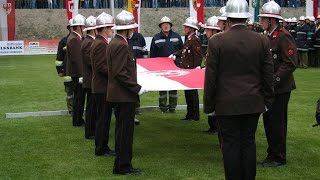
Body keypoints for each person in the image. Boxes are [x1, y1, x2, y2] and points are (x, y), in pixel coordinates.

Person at [204, 0, 274, 179]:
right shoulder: (261, 39)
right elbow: (267, 75)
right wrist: (267, 100)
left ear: (227, 17)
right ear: (247, 17)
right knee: (248, 143)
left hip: (226, 104)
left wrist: (209, 105)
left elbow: (211, 77)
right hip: (252, 102)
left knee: (230, 145)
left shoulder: (217, 41)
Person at [107, 10, 148, 175]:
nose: (133, 31)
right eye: (132, 28)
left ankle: (122, 164)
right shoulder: (120, 45)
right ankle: (122, 166)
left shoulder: (117, 43)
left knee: (122, 131)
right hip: (124, 96)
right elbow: (120, 73)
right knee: (125, 132)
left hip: (121, 95)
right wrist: (137, 88)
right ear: (128, 29)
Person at [259, 0, 298, 167]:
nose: (261, 22)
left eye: (263, 18)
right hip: (269, 87)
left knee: (277, 123)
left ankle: (279, 157)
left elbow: (290, 62)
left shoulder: (283, 36)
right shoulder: (267, 36)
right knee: (268, 121)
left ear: (272, 20)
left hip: (280, 88)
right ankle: (272, 153)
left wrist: (273, 80)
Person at [90, 12, 115, 156]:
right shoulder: (100, 44)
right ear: (105, 29)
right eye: (110, 28)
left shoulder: (100, 42)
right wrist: (115, 72)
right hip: (102, 87)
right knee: (103, 120)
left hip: (100, 86)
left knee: (103, 119)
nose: (111, 30)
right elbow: (101, 67)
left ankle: (102, 146)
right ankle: (101, 148)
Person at [169, 17, 202, 121]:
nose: (184, 28)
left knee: (192, 94)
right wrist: (174, 54)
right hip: (186, 70)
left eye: (186, 26)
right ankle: (189, 114)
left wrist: (196, 68)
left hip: (191, 70)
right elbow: (183, 51)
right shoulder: (189, 39)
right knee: (188, 94)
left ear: (191, 28)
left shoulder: (195, 40)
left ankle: (195, 115)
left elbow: (198, 56)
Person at [150, 16, 183, 113]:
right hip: (161, 67)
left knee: (173, 87)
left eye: (167, 24)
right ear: (161, 26)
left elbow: (182, 50)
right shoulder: (156, 37)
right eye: (163, 25)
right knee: (162, 88)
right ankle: (163, 108)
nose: (165, 26)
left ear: (170, 25)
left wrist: (177, 58)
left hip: (174, 66)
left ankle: (172, 108)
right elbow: (152, 54)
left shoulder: (177, 36)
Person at [66, 14, 86, 127]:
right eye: (82, 26)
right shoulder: (74, 39)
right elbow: (78, 59)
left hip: (76, 73)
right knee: (79, 98)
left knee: (79, 97)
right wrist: (82, 75)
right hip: (77, 74)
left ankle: (78, 119)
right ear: (78, 27)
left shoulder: (74, 37)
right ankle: (77, 120)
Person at [202, 16, 220, 134]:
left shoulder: (217, 43)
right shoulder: (212, 42)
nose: (205, 32)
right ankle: (213, 126)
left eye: (208, 30)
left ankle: (216, 127)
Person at [81, 16, 96, 139]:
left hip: (91, 79)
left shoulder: (88, 41)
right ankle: (90, 131)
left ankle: (91, 129)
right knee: (91, 107)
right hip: (91, 80)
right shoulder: (89, 42)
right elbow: (90, 61)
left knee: (92, 106)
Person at [128, 30, 147, 124]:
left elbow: (145, 52)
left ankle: (136, 109)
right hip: (128, 69)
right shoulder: (123, 38)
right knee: (130, 89)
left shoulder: (139, 37)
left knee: (136, 87)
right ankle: (132, 113)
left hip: (139, 68)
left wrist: (144, 66)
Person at [55, 20, 73, 116]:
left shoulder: (82, 39)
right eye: (71, 27)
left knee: (79, 94)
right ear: (69, 28)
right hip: (67, 73)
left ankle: (78, 109)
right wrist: (59, 70)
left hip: (79, 73)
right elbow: (59, 57)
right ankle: (71, 110)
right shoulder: (64, 41)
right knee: (70, 94)